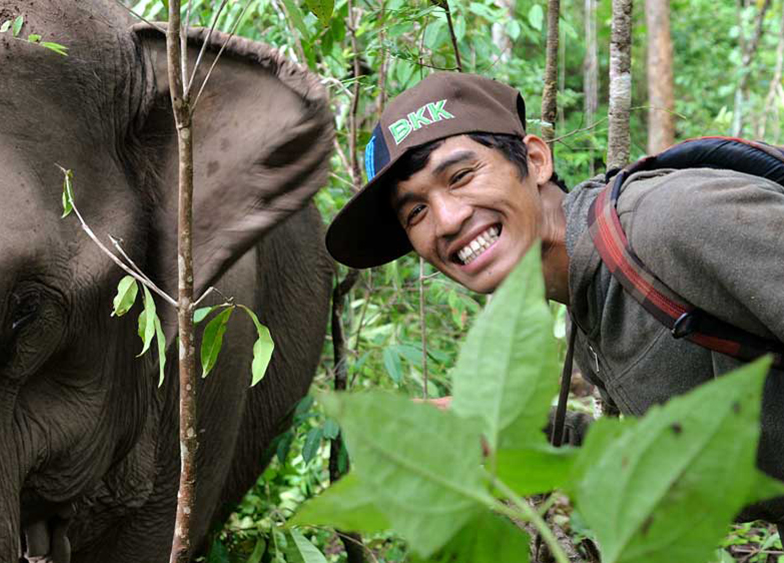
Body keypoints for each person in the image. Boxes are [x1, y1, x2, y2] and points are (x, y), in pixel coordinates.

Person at [324, 72, 784, 520]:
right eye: (416, 210)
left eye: (461, 175)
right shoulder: (587, 305)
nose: (445, 220)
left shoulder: (670, 221)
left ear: (536, 162)